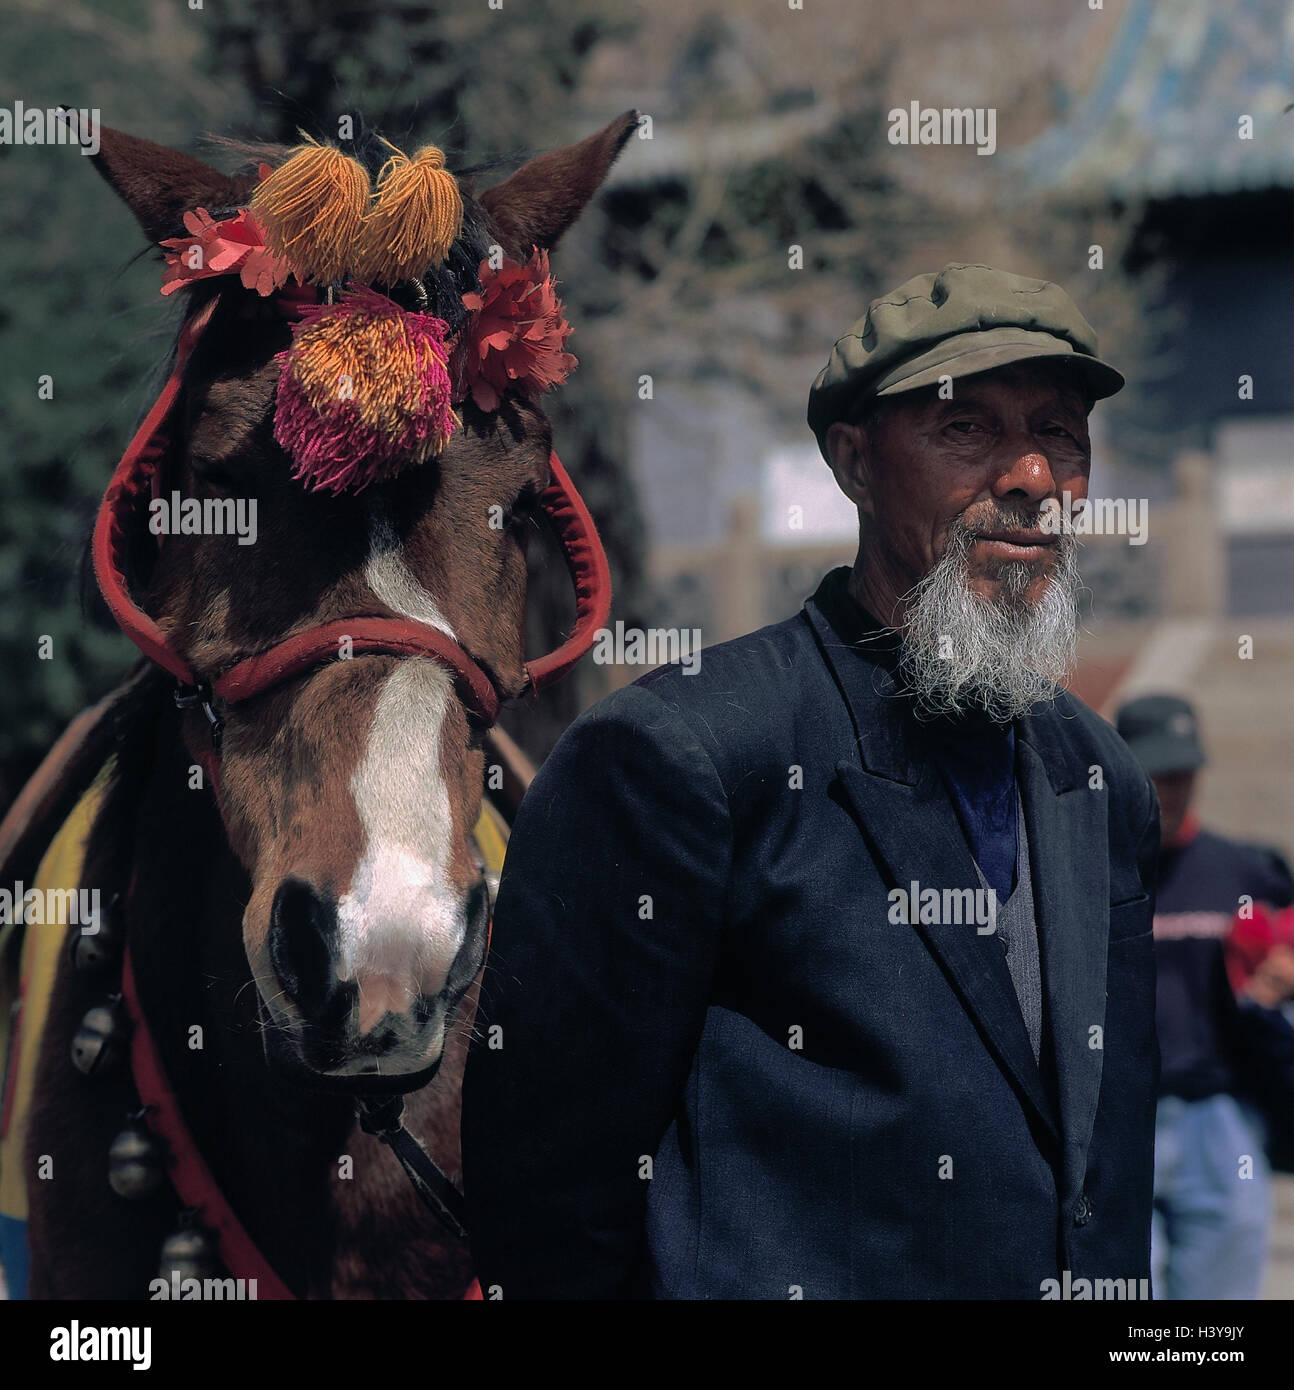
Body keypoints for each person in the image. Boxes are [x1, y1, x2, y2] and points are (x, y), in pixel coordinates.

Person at [462, 263, 1160, 1299]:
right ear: (852, 463)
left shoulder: (1096, 776)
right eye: (964, 428)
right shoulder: (683, 753)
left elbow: (1100, 1175)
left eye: (1058, 432)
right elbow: (545, 1198)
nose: (1029, 474)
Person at [1115, 693, 1294, 1300]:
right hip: (1117, 1121)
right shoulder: (1090, 868)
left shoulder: (1248, 871)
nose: (1170, 788)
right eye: (1155, 774)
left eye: (1182, 773)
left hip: (1219, 1119)